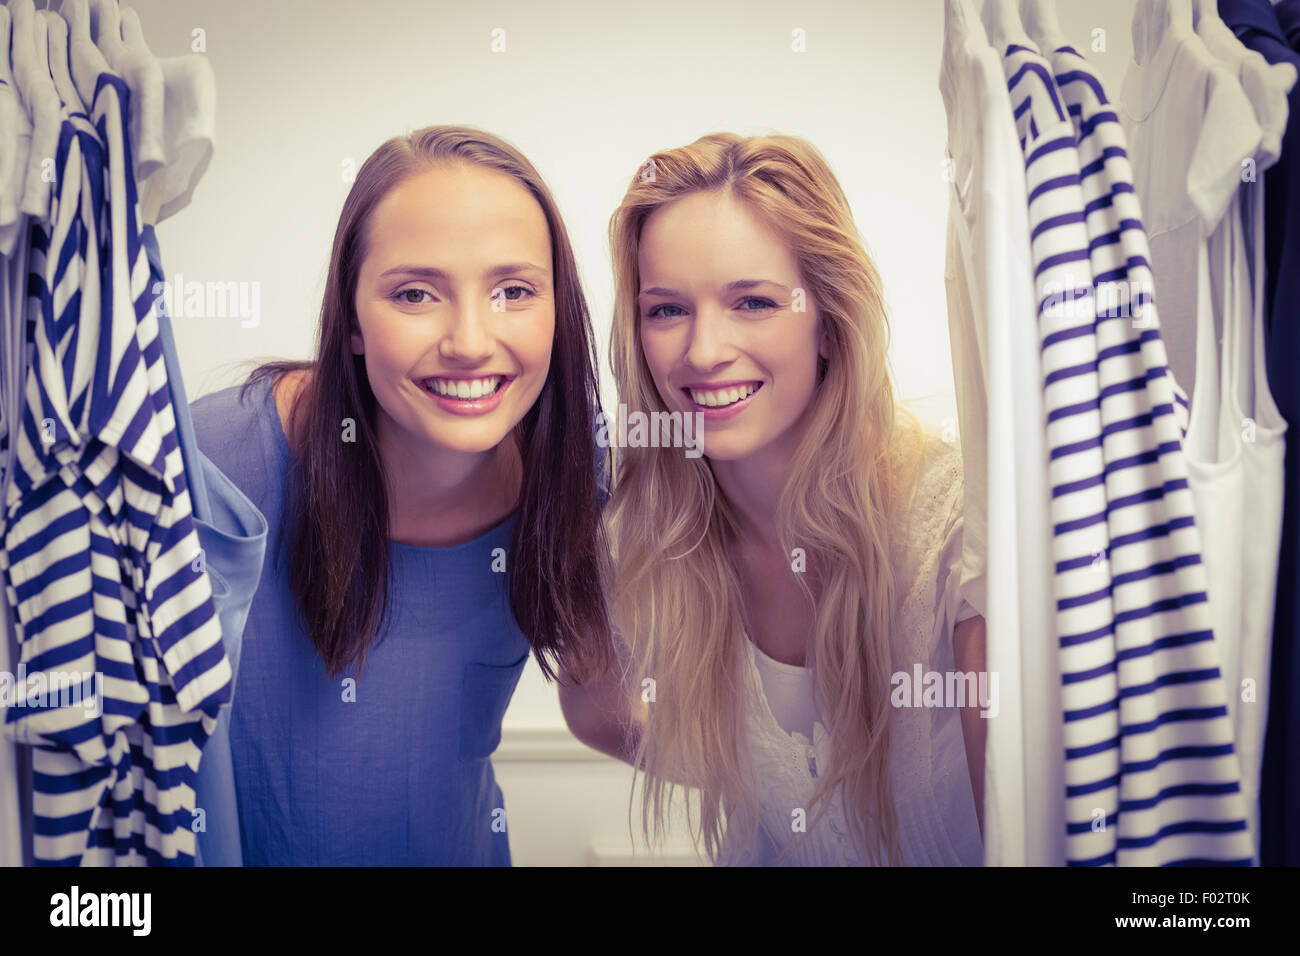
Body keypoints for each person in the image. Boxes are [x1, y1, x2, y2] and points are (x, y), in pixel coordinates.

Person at [559, 133, 988, 866]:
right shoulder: (639, 536)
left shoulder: (956, 539)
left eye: (752, 301)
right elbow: (597, 713)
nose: (703, 351)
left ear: (828, 319)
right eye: (666, 310)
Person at [191, 125, 614, 865]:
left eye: (514, 291)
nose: (470, 341)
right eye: (415, 293)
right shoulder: (205, 469)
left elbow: (616, 705)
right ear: (351, 320)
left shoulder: (582, 482)